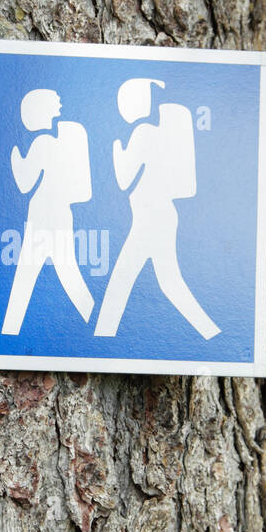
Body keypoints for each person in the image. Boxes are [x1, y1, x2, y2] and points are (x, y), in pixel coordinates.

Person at [94, 77, 220, 339]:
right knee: (167, 282)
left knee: (127, 278)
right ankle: (210, 332)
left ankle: (102, 335)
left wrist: (117, 150)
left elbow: (123, 179)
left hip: (151, 216)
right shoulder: (158, 133)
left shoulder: (143, 133)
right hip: (156, 214)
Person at [2, 89, 94, 335]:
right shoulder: (62, 141)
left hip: (42, 212)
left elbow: (24, 183)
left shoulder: (43, 142)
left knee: (30, 271)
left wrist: (14, 157)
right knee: (64, 270)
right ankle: (92, 317)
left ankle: (10, 329)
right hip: (62, 213)